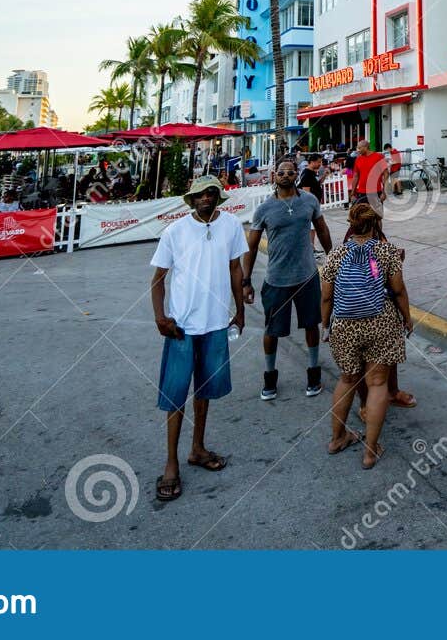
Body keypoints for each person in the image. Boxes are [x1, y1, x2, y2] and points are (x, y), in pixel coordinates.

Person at [149, 176, 246, 502]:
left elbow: (235, 269)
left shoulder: (231, 225)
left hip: (216, 323)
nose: (206, 198)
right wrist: (160, 317)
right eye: (200, 194)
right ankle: (171, 462)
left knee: (204, 390)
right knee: (176, 394)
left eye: (211, 193)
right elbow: (158, 279)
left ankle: (197, 448)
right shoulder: (175, 231)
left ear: (218, 196)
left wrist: (240, 309)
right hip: (182, 326)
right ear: (191, 200)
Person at [322, 202, 414, 470]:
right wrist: (407, 318)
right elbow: (398, 291)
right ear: (375, 225)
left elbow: (327, 296)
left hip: (344, 327)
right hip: (380, 324)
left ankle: (337, 439)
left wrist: (326, 325)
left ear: (351, 226)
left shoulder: (336, 255)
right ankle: (370, 451)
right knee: (377, 385)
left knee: (347, 380)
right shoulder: (386, 252)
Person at [244, 160, 336, 401]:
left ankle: (313, 372)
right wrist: (246, 280)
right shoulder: (264, 209)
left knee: (311, 325)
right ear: (274, 176)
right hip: (276, 279)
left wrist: (334, 258)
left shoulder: (309, 201)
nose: (286, 175)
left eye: (290, 172)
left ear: (297, 175)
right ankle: (269, 376)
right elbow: (251, 247)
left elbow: (323, 229)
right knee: (272, 330)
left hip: (307, 276)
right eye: (281, 172)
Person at [350, 138, 384, 206]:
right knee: (362, 214)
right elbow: (356, 177)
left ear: (366, 147)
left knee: (376, 214)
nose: (358, 150)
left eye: (359, 148)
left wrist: (384, 192)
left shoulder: (379, 157)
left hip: (376, 192)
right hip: (362, 192)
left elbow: (384, 175)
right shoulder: (358, 159)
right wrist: (352, 193)